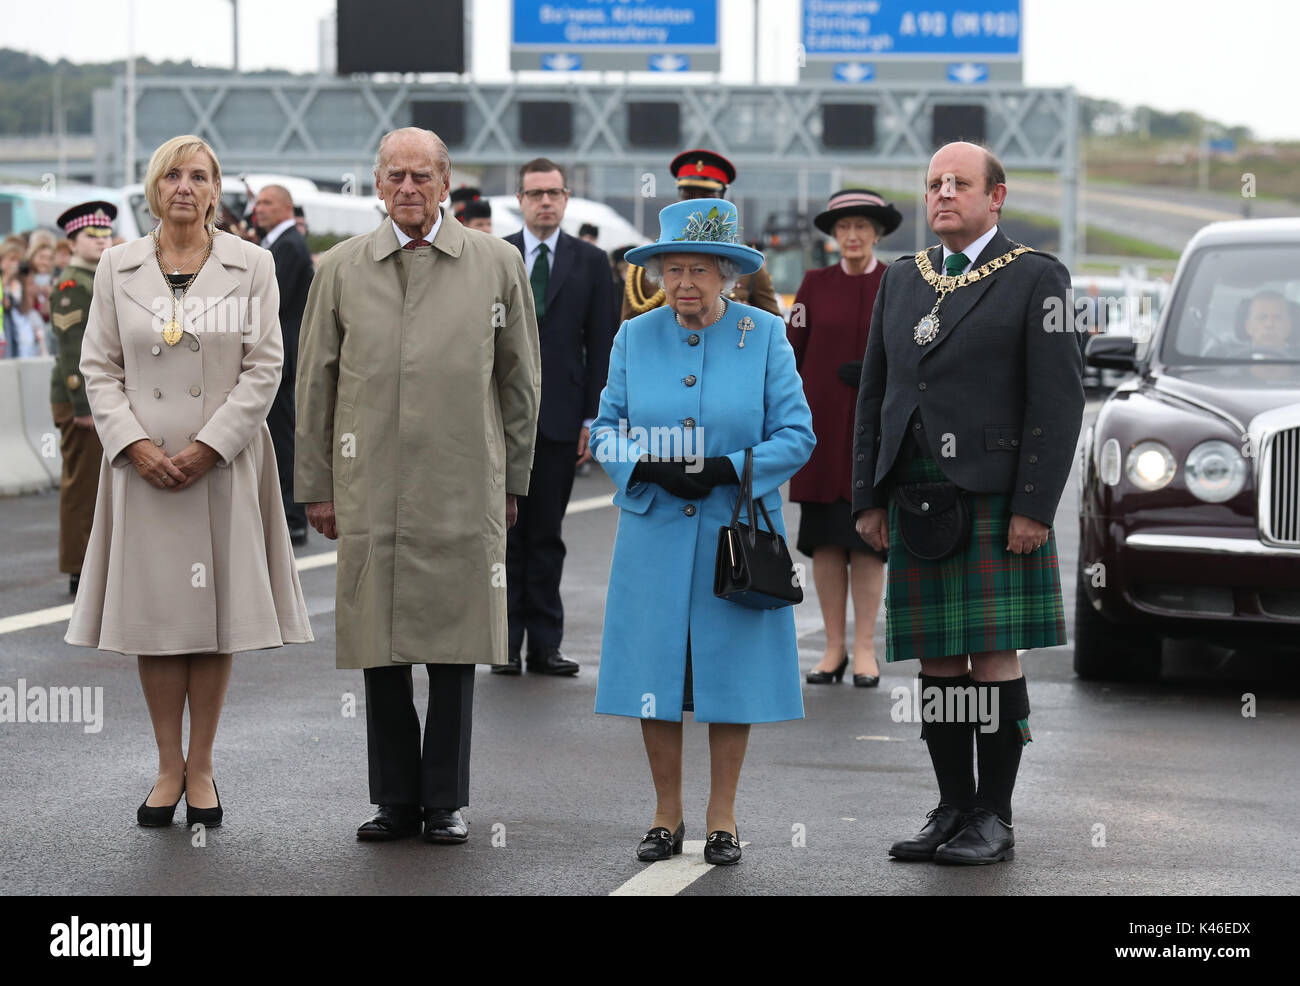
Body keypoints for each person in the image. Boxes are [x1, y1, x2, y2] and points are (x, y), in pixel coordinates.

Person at [295, 127, 541, 845]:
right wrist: (317, 482)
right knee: (379, 648)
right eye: (394, 175)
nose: (408, 188)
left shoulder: (496, 264)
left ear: (445, 183)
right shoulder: (340, 269)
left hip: (465, 482)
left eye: (421, 176)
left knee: (455, 647)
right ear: (376, 184)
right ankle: (394, 800)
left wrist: (514, 477)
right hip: (368, 482)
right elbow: (315, 385)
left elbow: (520, 380)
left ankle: (446, 800)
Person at [65, 134, 313, 829]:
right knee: (158, 623)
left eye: (198, 176)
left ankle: (201, 766)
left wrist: (210, 447)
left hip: (221, 466)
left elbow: (265, 368)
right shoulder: (117, 266)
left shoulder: (253, 264)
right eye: (172, 174)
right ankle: (166, 766)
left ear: (214, 190)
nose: (184, 186)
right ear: (153, 186)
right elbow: (99, 368)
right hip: (143, 470)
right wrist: (134, 445)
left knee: (211, 624)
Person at [852, 141, 1083, 865]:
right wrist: (869, 495)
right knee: (939, 660)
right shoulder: (902, 280)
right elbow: (875, 395)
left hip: (992, 498)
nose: (944, 194)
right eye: (933, 184)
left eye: (960, 183)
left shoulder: (1036, 278)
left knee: (991, 656)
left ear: (997, 197)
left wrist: (1035, 506)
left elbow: (1059, 400)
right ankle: (953, 806)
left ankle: (996, 816)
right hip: (917, 495)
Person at [592, 197, 815, 865]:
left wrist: (728, 465)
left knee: (730, 673)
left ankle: (722, 817)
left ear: (727, 274)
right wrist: (644, 466)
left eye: (698, 270)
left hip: (735, 531)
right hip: (654, 529)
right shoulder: (635, 336)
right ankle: (665, 815)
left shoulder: (765, 334)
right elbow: (604, 429)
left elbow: (797, 435)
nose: (684, 283)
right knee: (651, 671)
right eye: (672, 269)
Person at [498, 158, 614, 675]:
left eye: (553, 193)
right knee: (501, 535)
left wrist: (594, 417)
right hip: (496, 419)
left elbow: (602, 345)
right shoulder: (495, 255)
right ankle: (501, 642)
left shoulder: (591, 262)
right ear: (520, 200)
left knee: (545, 532)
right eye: (535, 193)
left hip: (561, 419)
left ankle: (545, 644)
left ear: (566, 199)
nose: (545, 201)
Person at [788, 189, 901, 688]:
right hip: (821, 425)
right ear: (833, 236)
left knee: (868, 544)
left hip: (875, 428)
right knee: (828, 542)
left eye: (862, 227)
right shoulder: (813, 284)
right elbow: (792, 352)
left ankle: (863, 649)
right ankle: (832, 647)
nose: (852, 236)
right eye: (843, 228)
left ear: (877, 233)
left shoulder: (897, 281)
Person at [621, 149, 782, 321]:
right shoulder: (647, 266)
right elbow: (629, 331)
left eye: (706, 196)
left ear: (722, 196)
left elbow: (773, 326)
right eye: (688, 196)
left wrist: (744, 317)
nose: (696, 203)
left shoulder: (743, 265)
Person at [49, 201, 115, 595]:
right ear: (72, 241)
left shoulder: (98, 278)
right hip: (81, 400)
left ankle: (91, 563)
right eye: (92, 236)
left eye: (106, 234)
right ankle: (78, 566)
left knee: (96, 483)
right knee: (83, 484)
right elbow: (71, 348)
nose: (102, 241)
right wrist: (84, 406)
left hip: (95, 396)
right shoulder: (73, 284)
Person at [254, 183, 314, 545]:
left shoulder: (288, 245)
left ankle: (292, 517)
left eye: (266, 202)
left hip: (283, 352)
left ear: (286, 207)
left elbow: (270, 301)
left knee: (281, 437)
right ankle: (286, 514)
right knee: (278, 434)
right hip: (282, 351)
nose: (258, 208)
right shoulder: (279, 243)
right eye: (257, 202)